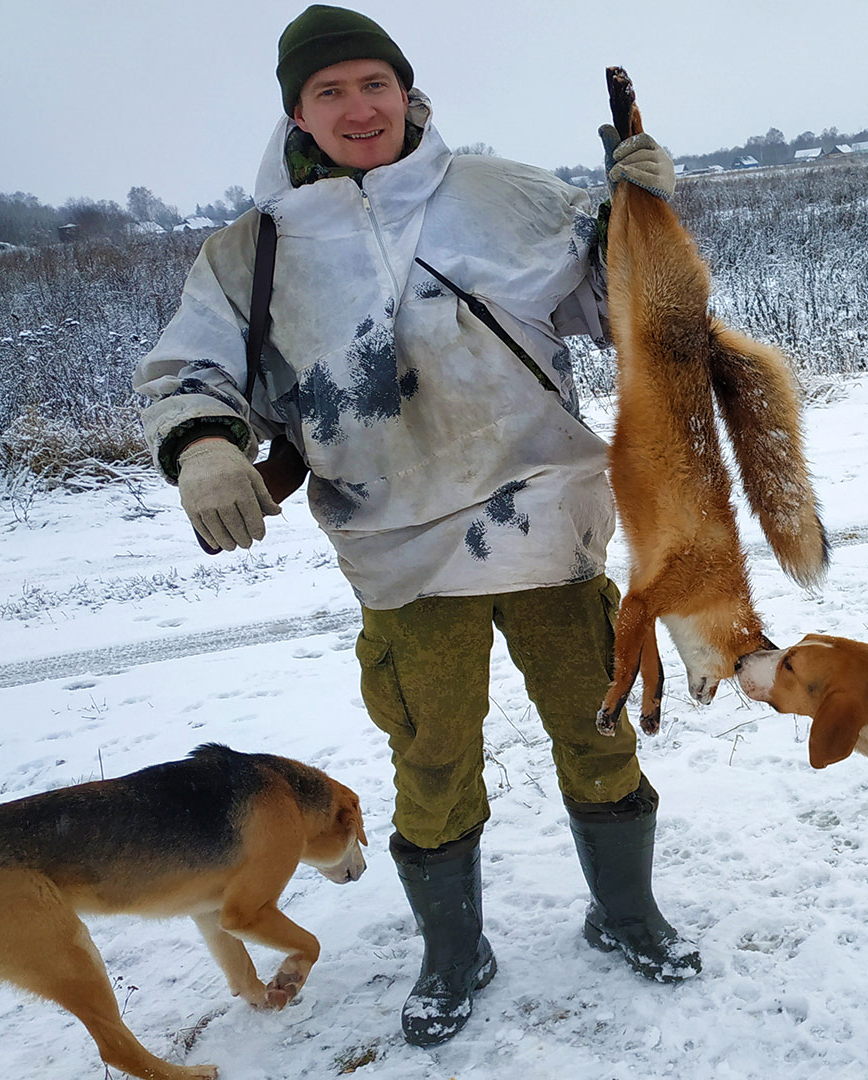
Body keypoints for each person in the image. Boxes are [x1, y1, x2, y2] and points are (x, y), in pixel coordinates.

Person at [134, 4, 696, 1047]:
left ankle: (627, 913)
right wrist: (206, 445)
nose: (359, 107)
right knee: (431, 759)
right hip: (394, 553)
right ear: (297, 112)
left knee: (598, 726)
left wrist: (648, 219)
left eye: (373, 83)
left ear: (407, 91)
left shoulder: (500, 194)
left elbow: (630, 311)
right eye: (330, 91)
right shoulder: (248, 254)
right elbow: (189, 368)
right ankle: (454, 949)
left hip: (550, 527)